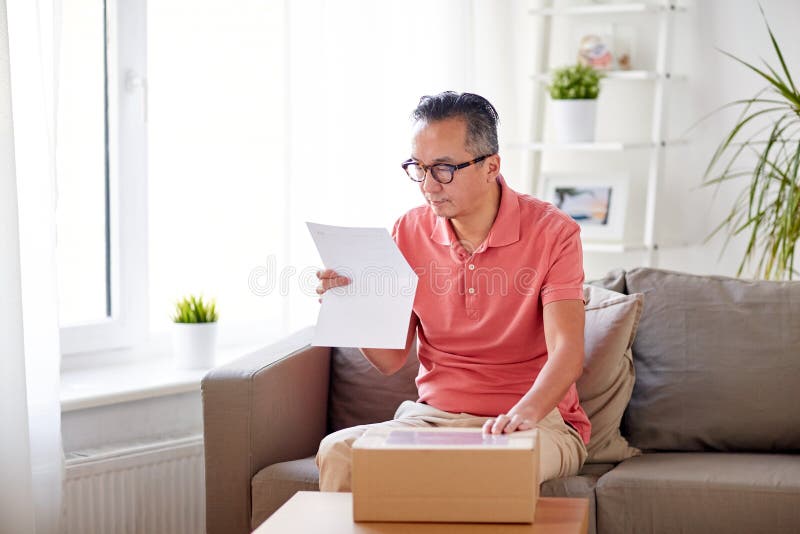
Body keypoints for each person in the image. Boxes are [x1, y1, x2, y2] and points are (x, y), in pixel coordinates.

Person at [314, 91, 589, 492]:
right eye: (418, 168)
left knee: (490, 468)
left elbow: (568, 354)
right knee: (338, 450)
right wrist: (350, 307)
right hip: (434, 418)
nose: (427, 185)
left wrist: (523, 415)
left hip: (535, 419)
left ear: (491, 166)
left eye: (443, 169)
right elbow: (391, 359)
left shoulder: (554, 233)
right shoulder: (406, 231)